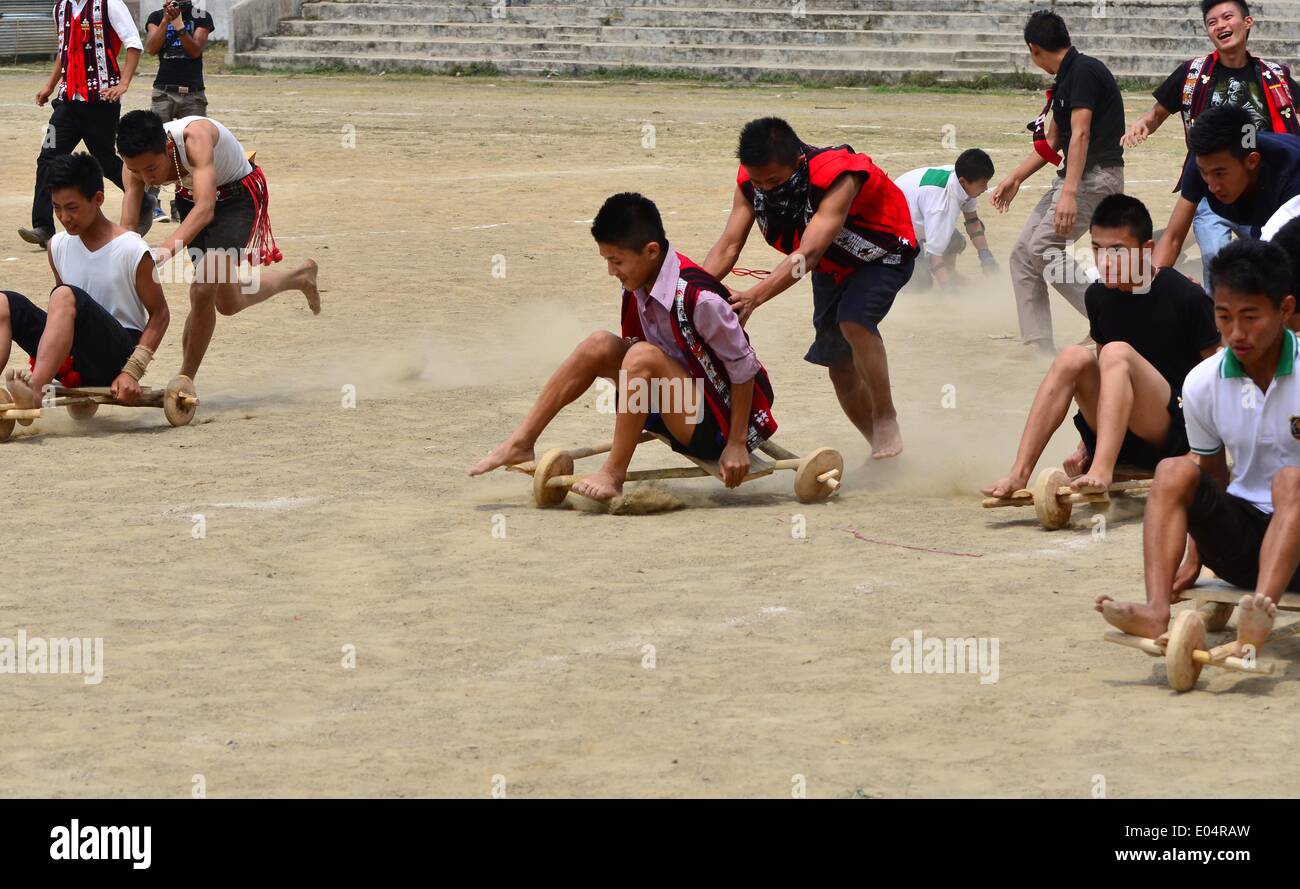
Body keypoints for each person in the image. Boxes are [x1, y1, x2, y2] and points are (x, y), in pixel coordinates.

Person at [470, 193, 778, 501]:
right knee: (598, 344)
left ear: (651, 252)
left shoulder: (701, 300)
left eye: (616, 262)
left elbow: (744, 370)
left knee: (642, 357)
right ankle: (521, 442)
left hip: (715, 425)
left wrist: (736, 443)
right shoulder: (638, 279)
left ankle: (613, 474)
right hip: (665, 399)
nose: (610, 271)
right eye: (607, 260)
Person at [1097, 238, 1300, 657]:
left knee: (1290, 479)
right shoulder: (1203, 382)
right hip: (1244, 548)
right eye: (1224, 317)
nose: (1236, 333)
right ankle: (1155, 611)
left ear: (1284, 310)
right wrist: (1196, 557)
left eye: (1251, 317)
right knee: (1174, 469)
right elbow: (1211, 476)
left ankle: (1260, 610)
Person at [702, 116, 916, 458]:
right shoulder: (750, 181)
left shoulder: (839, 175)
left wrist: (754, 297)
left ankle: (885, 415)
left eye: (774, 180)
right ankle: (878, 444)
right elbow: (729, 246)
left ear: (798, 162)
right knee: (839, 366)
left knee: (854, 321)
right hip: (834, 265)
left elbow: (808, 255)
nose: (766, 189)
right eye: (759, 182)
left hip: (882, 253)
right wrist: (695, 291)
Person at [983, 194, 1219, 499]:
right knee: (1072, 357)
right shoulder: (1098, 296)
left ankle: (1101, 470)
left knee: (1115, 352)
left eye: (1118, 251)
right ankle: (1018, 473)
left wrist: (1205, 452)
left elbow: (1220, 378)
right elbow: (1106, 380)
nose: (1105, 261)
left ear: (1146, 250)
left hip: (1175, 430)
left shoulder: (1185, 295)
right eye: (1097, 249)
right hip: (1124, 435)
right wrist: (1085, 443)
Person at [116, 110, 320, 380]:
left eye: (151, 168)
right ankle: (299, 277)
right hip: (192, 198)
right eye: (136, 171)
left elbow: (205, 208)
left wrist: (163, 252)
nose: (147, 179)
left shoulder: (195, 137)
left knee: (202, 288)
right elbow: (128, 228)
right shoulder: (134, 166)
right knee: (228, 303)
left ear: (167, 147)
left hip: (237, 198)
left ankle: (184, 380)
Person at [1122, 0, 1299, 282]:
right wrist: (1143, 124)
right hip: (1212, 184)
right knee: (1216, 264)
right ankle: (1212, 320)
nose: (1220, 25)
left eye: (1227, 17)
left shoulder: (1274, 75)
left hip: (1262, 186)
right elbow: (1157, 113)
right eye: (1212, 22)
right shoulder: (1192, 73)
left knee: (1271, 264)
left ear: (1247, 22)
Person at [991, 10, 1126, 353]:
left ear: (1034, 48)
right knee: (1023, 253)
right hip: (1076, 176)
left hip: (1094, 179)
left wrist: (1068, 193)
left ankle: (1113, 322)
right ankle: (1038, 344)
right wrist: (1016, 177)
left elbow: (1079, 135)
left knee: (1043, 249)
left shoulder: (1083, 72)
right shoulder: (1067, 77)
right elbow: (1054, 142)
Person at [1, 153, 169, 417]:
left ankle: (34, 391)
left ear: (98, 199)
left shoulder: (132, 248)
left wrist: (131, 372)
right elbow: (63, 314)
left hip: (116, 354)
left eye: (72, 207)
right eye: (57, 208)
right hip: (74, 355)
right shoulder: (57, 245)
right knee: (3, 303)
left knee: (64, 295)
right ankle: (39, 379)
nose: (64, 217)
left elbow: (160, 314)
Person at [20, 0, 153, 249]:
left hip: (101, 101)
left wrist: (123, 84)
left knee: (103, 158)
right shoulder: (60, 8)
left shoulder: (110, 4)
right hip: (67, 101)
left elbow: (134, 43)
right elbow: (64, 51)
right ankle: (43, 227)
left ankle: (143, 201)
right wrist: (50, 86)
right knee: (47, 156)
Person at [1153, 104, 1300, 268]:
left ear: (1252, 161)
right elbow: (1172, 239)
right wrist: (1151, 286)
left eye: (1219, 174)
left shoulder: (1290, 174)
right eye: (1204, 172)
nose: (1212, 186)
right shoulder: (1204, 163)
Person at [144, 0, 216, 223]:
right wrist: (167, 19)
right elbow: (151, 48)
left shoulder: (201, 16)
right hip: (163, 92)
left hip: (192, 93)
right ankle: (151, 204)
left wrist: (179, 25)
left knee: (192, 151)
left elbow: (195, 50)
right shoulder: (156, 17)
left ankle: (183, 203)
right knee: (155, 147)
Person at [894, 148, 998, 292]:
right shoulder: (943, 205)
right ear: (963, 182)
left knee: (954, 240)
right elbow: (933, 256)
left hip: (916, 216)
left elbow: (973, 222)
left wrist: (986, 256)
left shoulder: (961, 179)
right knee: (921, 284)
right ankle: (943, 276)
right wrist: (949, 289)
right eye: (982, 184)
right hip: (896, 228)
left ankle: (949, 273)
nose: (986, 188)